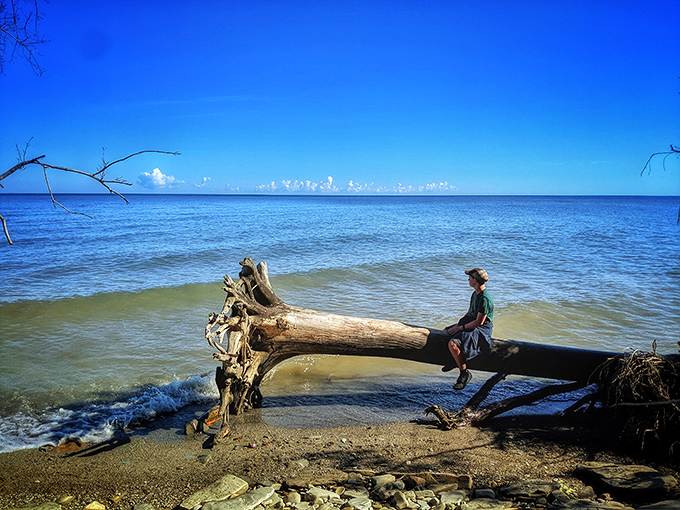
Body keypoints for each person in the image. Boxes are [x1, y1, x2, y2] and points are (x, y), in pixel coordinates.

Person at [442, 268, 494, 390]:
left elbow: (479, 322)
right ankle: (453, 360)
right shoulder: (475, 294)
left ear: (475, 281)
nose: (468, 280)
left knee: (453, 343)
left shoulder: (485, 299)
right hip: (472, 321)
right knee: (446, 333)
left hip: (481, 328)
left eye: (470, 278)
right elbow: (470, 313)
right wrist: (457, 325)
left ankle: (464, 373)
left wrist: (461, 327)